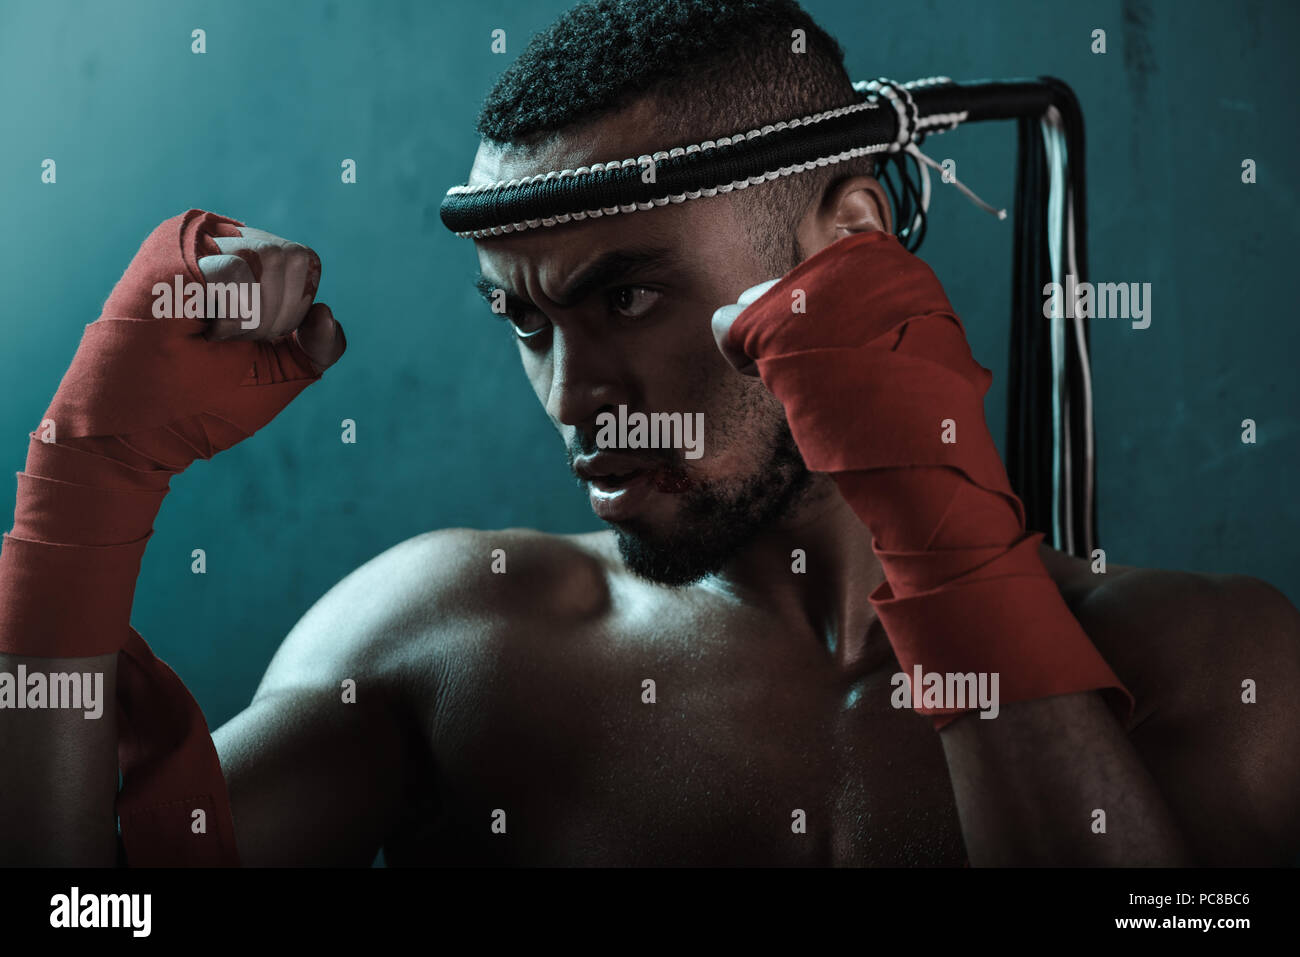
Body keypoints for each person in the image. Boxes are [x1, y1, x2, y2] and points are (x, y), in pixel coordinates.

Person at [2, 0, 1297, 867]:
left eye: (629, 294)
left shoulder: (1218, 673)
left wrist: (959, 568)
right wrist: (75, 516)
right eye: (525, 320)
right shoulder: (457, 640)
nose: (573, 399)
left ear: (849, 242)